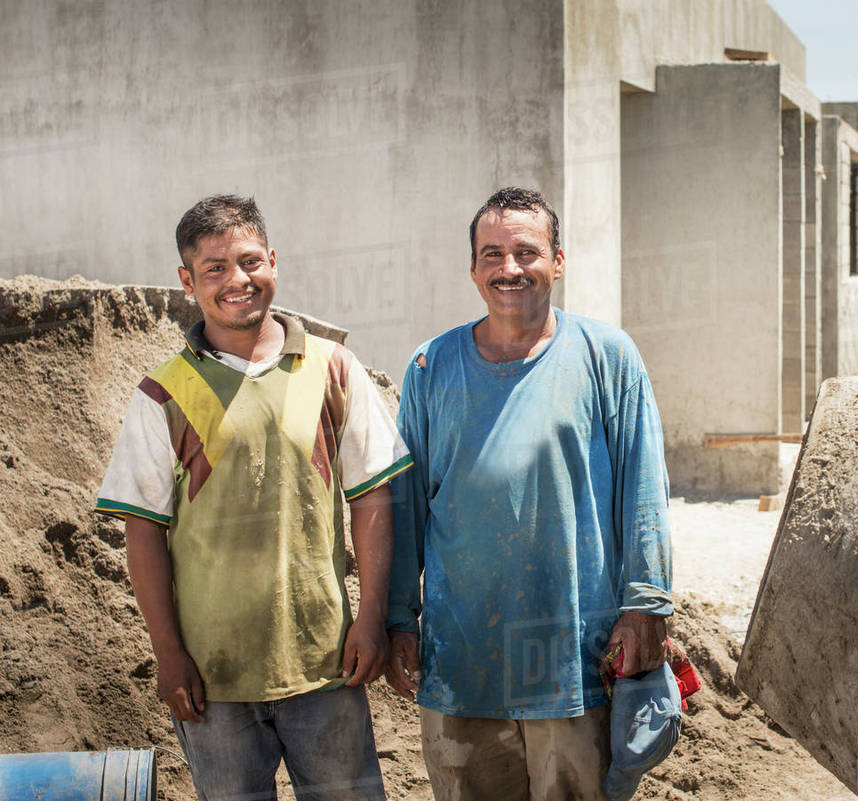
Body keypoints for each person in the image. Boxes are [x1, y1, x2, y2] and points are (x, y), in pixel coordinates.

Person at [95, 195, 410, 800]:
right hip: (213, 676)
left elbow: (372, 501)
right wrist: (169, 655)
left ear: (273, 261)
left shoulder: (335, 369)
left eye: (248, 261)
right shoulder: (162, 394)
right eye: (214, 268)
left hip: (326, 662)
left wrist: (369, 619)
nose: (237, 280)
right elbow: (143, 533)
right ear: (187, 282)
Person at [386, 187, 672, 801]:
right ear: (472, 269)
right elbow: (404, 507)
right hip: (463, 655)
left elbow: (644, 488)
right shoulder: (429, 367)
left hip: (574, 655)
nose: (509, 269)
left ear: (559, 260)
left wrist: (647, 602)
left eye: (526, 252)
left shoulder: (608, 358)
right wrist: (395, 618)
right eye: (492, 254)